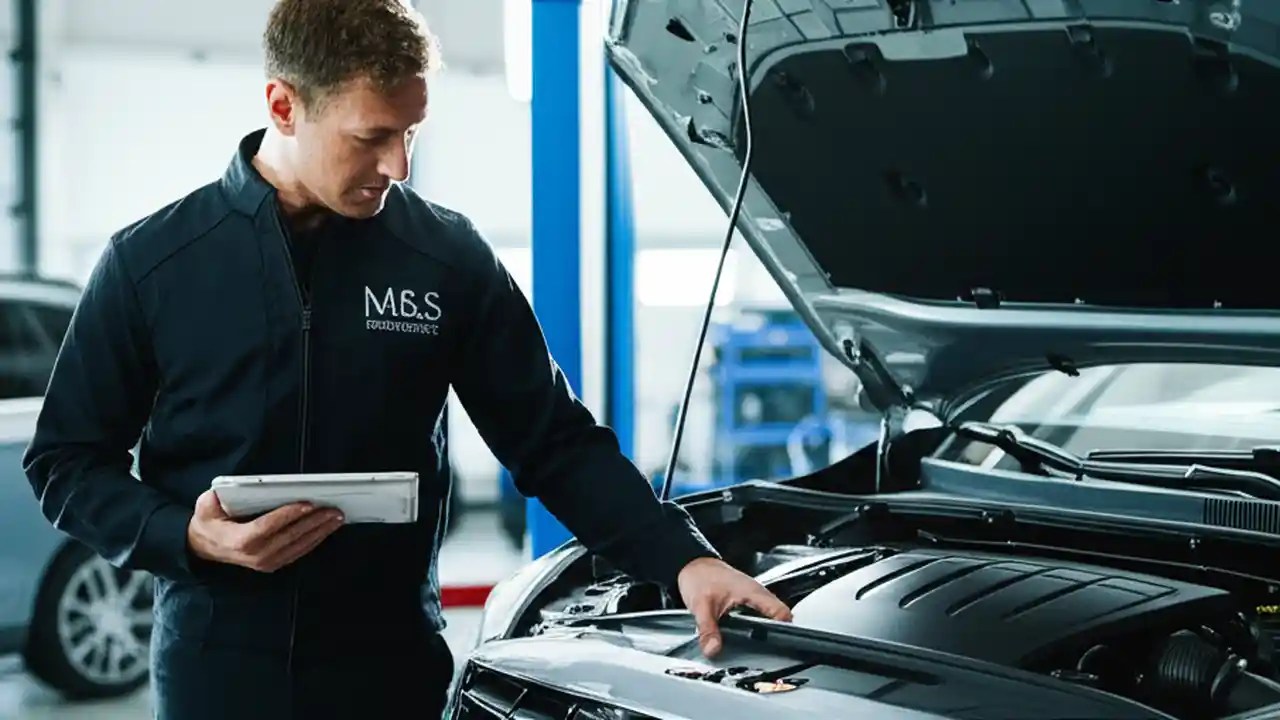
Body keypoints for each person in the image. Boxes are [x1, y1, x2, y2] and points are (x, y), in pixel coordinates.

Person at [21, 1, 792, 718]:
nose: (399, 167)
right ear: (283, 106)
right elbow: (64, 462)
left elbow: (551, 440)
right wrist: (184, 536)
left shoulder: (445, 259)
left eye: (411, 133)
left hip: (390, 670)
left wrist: (682, 559)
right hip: (217, 670)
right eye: (371, 137)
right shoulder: (155, 264)